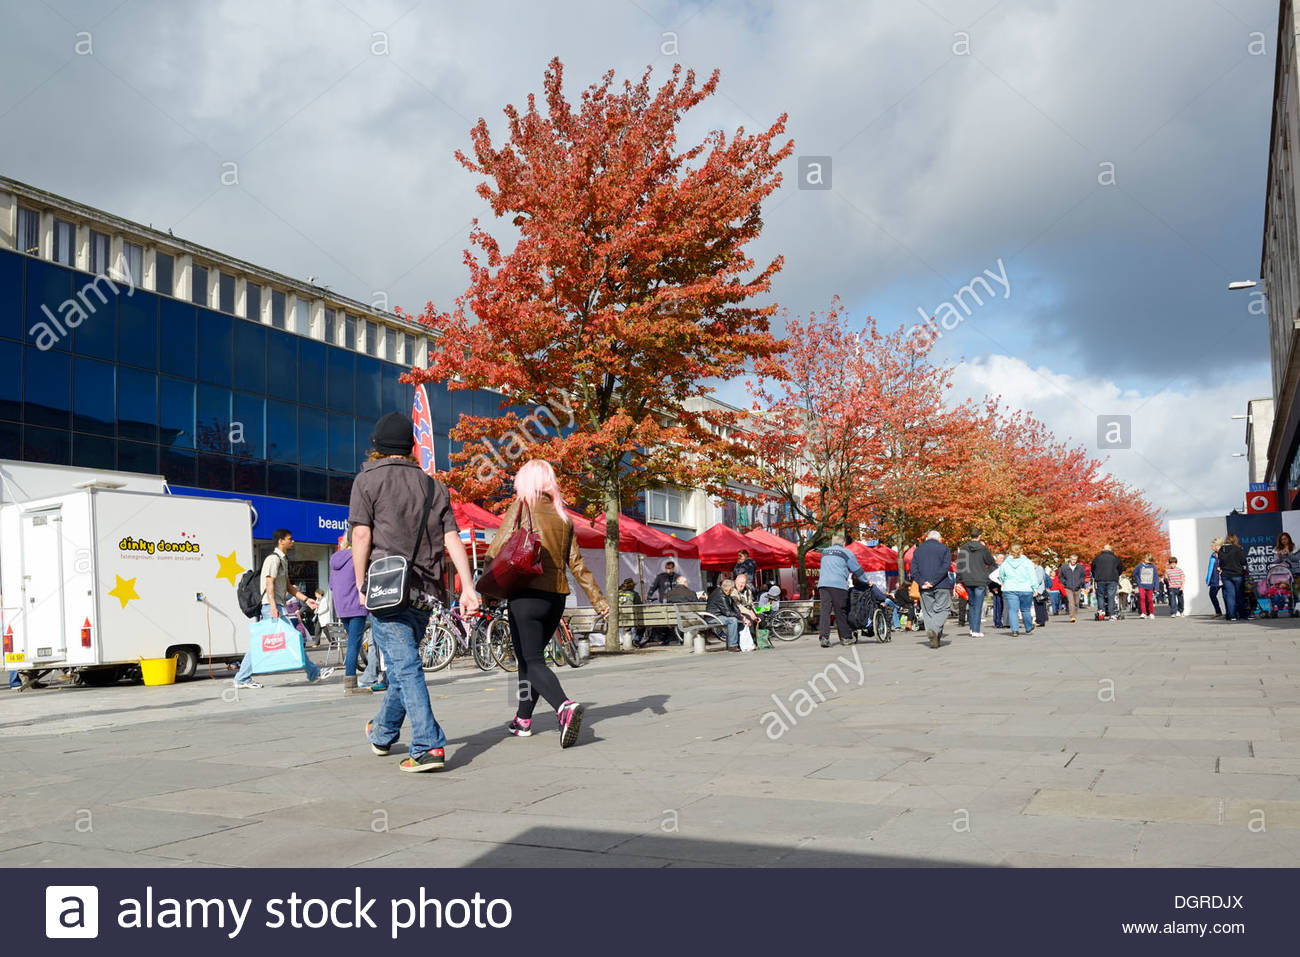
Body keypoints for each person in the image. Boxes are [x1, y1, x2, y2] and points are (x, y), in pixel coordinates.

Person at [353, 411, 479, 772]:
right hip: (426, 593)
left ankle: (427, 746)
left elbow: (361, 535)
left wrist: (361, 584)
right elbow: (452, 538)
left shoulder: (367, 481)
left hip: (386, 590)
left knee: (405, 668)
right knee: (402, 666)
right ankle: (381, 733)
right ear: (411, 448)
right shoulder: (433, 486)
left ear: (376, 447)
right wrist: (467, 588)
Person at [487, 459, 608, 746]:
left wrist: (486, 588)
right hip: (556, 598)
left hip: (526, 595)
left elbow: (496, 549)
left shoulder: (521, 507)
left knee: (530, 660)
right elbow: (577, 564)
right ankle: (523, 719)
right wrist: (598, 599)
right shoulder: (563, 517)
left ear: (524, 482)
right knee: (530, 661)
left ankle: (564, 707)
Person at [233, 530, 332, 689]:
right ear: (281, 541)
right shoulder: (273, 559)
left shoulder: (282, 560)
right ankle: (313, 673)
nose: (293, 542)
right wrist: (273, 606)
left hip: (276, 607)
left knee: (267, 643)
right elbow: (269, 584)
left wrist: (307, 600)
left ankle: (242, 678)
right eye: (289, 539)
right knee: (291, 639)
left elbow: (289, 588)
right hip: (272, 607)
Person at [330, 527, 375, 696]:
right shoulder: (360, 556)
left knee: (353, 642)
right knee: (353, 644)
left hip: (341, 607)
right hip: (357, 604)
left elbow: (332, 585)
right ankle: (350, 684)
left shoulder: (334, 558)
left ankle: (355, 680)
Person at [817, 532, 870, 647]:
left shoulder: (824, 552)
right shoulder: (847, 552)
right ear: (844, 543)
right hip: (838, 585)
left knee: (825, 611)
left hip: (823, 584)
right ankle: (845, 637)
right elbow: (857, 569)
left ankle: (824, 638)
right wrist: (866, 581)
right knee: (840, 611)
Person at [911, 530, 954, 649]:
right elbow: (945, 567)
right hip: (941, 585)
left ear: (927, 539)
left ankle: (934, 636)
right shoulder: (944, 549)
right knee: (943, 608)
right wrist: (933, 581)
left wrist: (922, 582)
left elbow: (913, 570)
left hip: (924, 587)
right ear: (939, 538)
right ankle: (934, 631)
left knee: (928, 612)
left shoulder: (918, 550)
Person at [957, 530, 997, 638]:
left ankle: (972, 628)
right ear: (979, 536)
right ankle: (976, 629)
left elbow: (960, 565)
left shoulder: (963, 548)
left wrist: (958, 581)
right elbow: (991, 562)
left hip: (967, 579)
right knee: (978, 605)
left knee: (972, 604)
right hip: (980, 579)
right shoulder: (983, 549)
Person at [991, 544, 1037, 636]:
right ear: (1021, 550)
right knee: (1025, 610)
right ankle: (1028, 628)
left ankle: (1015, 630)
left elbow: (1001, 575)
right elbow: (1032, 575)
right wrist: (1034, 587)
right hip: (1025, 588)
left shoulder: (1006, 563)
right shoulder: (1027, 562)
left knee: (1013, 610)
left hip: (1010, 588)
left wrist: (1004, 582)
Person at [705, 577, 744, 651]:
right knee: (733, 620)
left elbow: (734, 607)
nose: (733, 590)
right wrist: (739, 616)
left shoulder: (726, 594)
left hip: (720, 616)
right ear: (730, 588)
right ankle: (732, 645)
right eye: (732, 588)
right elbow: (728, 612)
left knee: (740, 621)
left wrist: (741, 616)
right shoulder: (720, 595)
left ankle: (740, 643)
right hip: (713, 617)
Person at [1217, 534, 1248, 622]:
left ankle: (1232, 616)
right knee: (1239, 595)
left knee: (1230, 596)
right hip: (1238, 575)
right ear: (1235, 540)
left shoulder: (1221, 550)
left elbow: (1221, 563)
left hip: (1226, 575)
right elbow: (1243, 561)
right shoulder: (1237, 549)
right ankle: (1242, 615)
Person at [1090, 544, 1123, 621]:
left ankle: (1101, 611)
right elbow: (1120, 568)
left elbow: (1093, 568)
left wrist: (1095, 576)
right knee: (1111, 597)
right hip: (1112, 579)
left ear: (1103, 549)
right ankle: (1111, 614)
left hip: (1100, 579)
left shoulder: (1097, 558)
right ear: (1110, 549)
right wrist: (1117, 575)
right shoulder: (1115, 558)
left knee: (1100, 596)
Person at [1058, 554, 1088, 622]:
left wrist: (1081, 584)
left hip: (1078, 587)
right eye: (1072, 559)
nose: (1074, 561)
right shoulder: (1064, 567)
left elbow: (1083, 576)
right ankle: (1072, 616)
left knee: (1076, 602)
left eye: (1075, 560)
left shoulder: (1080, 567)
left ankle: (1074, 612)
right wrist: (1065, 582)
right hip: (1068, 587)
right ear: (1070, 559)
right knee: (1071, 602)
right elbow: (1060, 576)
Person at [1133, 553, 1159, 619]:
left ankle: (1151, 613)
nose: (1148, 562)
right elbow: (1134, 574)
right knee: (1142, 598)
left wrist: (1156, 587)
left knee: (1150, 600)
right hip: (1141, 585)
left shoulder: (1152, 566)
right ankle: (1143, 613)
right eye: (1147, 560)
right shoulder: (1139, 566)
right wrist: (1138, 581)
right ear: (1144, 559)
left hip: (1150, 585)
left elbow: (1156, 577)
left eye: (1149, 560)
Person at [1206, 539, 1223, 618]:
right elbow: (1210, 568)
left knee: (1226, 596)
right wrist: (1208, 578)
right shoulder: (1212, 555)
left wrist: (1222, 569)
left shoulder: (1223, 554)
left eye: (1212, 545)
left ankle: (1231, 612)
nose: (1211, 547)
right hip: (1214, 579)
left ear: (1217, 546)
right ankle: (1218, 611)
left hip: (1223, 578)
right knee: (1212, 595)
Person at [990, 552, 1006, 629]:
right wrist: (993, 588)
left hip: (1005, 589)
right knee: (998, 606)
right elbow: (989, 578)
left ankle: (1004, 621)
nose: (1002, 560)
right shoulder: (992, 567)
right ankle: (997, 622)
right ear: (996, 559)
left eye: (1003, 558)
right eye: (1001, 558)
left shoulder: (1005, 566)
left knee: (1004, 606)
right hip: (996, 589)